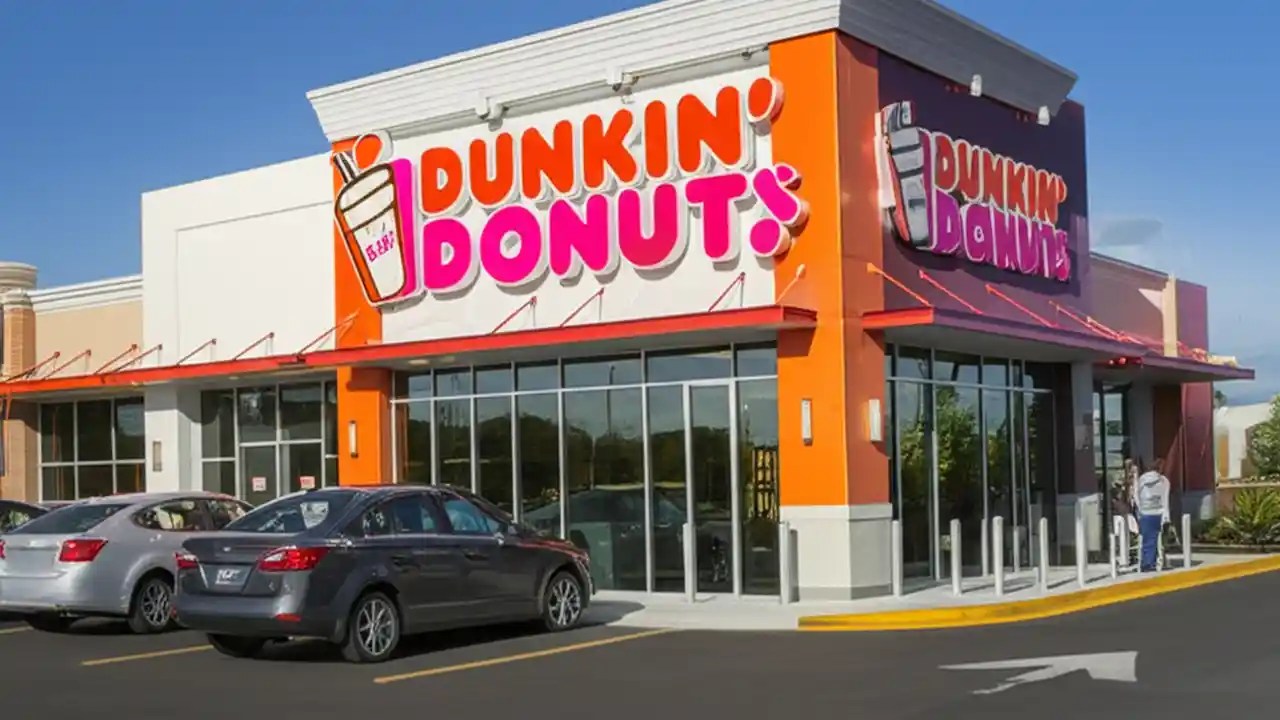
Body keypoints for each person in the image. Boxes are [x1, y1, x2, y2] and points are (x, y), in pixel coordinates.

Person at [1132, 458, 1171, 572]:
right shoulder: (1163, 481)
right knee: (1158, 540)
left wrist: (1140, 509)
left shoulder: (1142, 479)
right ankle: (1152, 563)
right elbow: (1165, 499)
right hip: (1158, 512)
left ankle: (1145, 562)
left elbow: (1135, 495)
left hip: (1145, 512)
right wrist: (1166, 516)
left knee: (1146, 539)